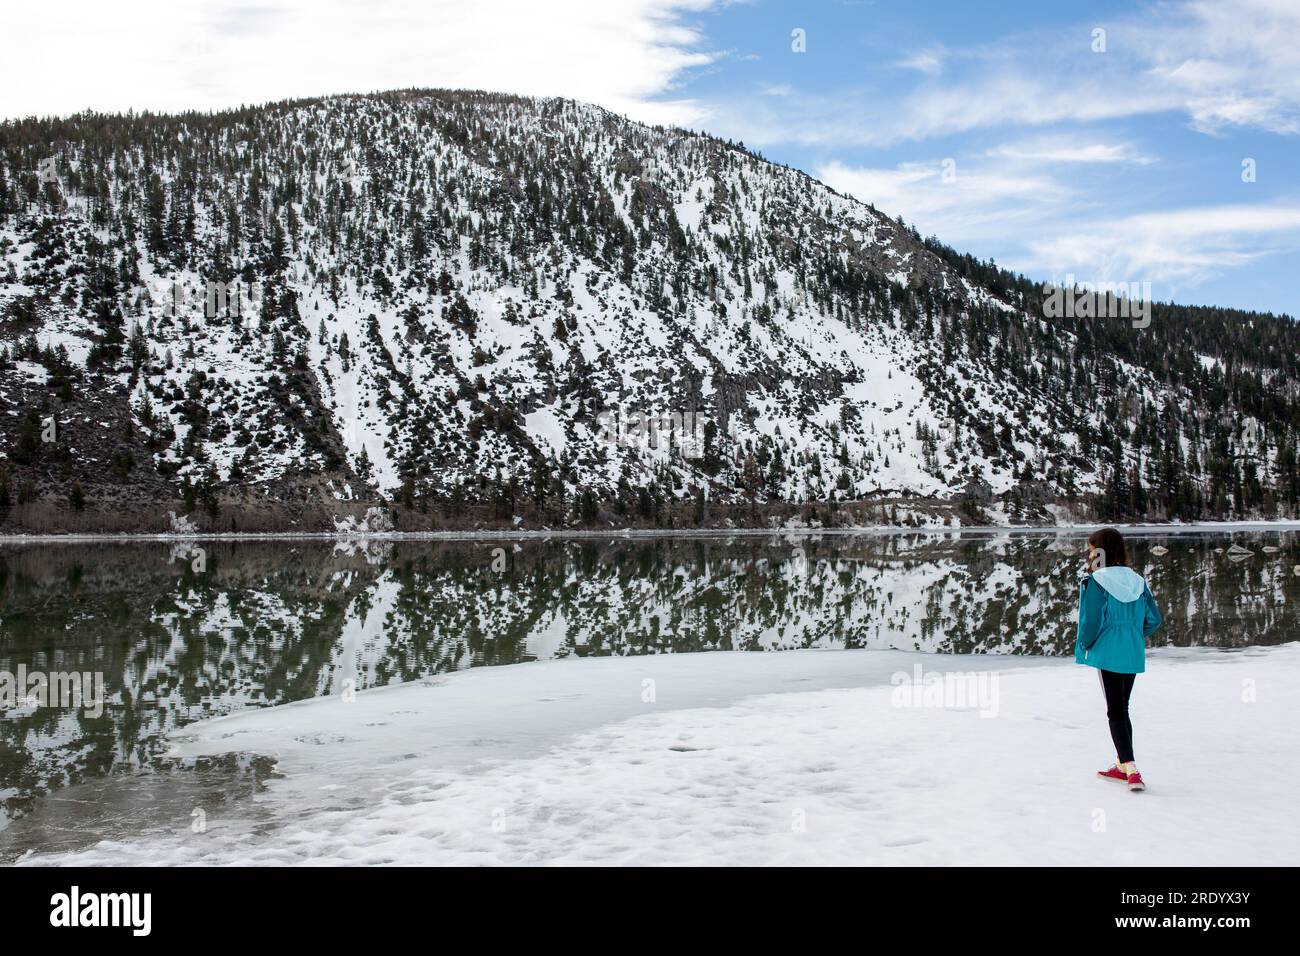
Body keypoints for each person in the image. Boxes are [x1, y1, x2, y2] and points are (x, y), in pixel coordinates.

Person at [1074, 527, 1162, 792]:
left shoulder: (1096, 581)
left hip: (1108, 651)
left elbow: (1091, 621)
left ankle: (1131, 769)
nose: (1089, 554)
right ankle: (1123, 764)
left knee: (1115, 710)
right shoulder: (1137, 581)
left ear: (1099, 551)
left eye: (1091, 549)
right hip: (1132, 650)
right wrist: (1133, 634)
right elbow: (1154, 620)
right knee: (1122, 707)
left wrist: (1086, 645)